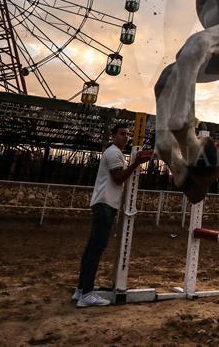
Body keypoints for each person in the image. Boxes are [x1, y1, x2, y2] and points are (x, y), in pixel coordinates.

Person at [73, 124, 138, 308]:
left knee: (91, 249)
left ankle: (81, 289)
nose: (126, 137)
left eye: (127, 135)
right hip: (105, 205)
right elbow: (118, 178)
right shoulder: (113, 153)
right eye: (122, 134)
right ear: (113, 135)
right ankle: (86, 294)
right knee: (96, 249)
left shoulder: (115, 153)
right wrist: (136, 164)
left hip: (104, 204)